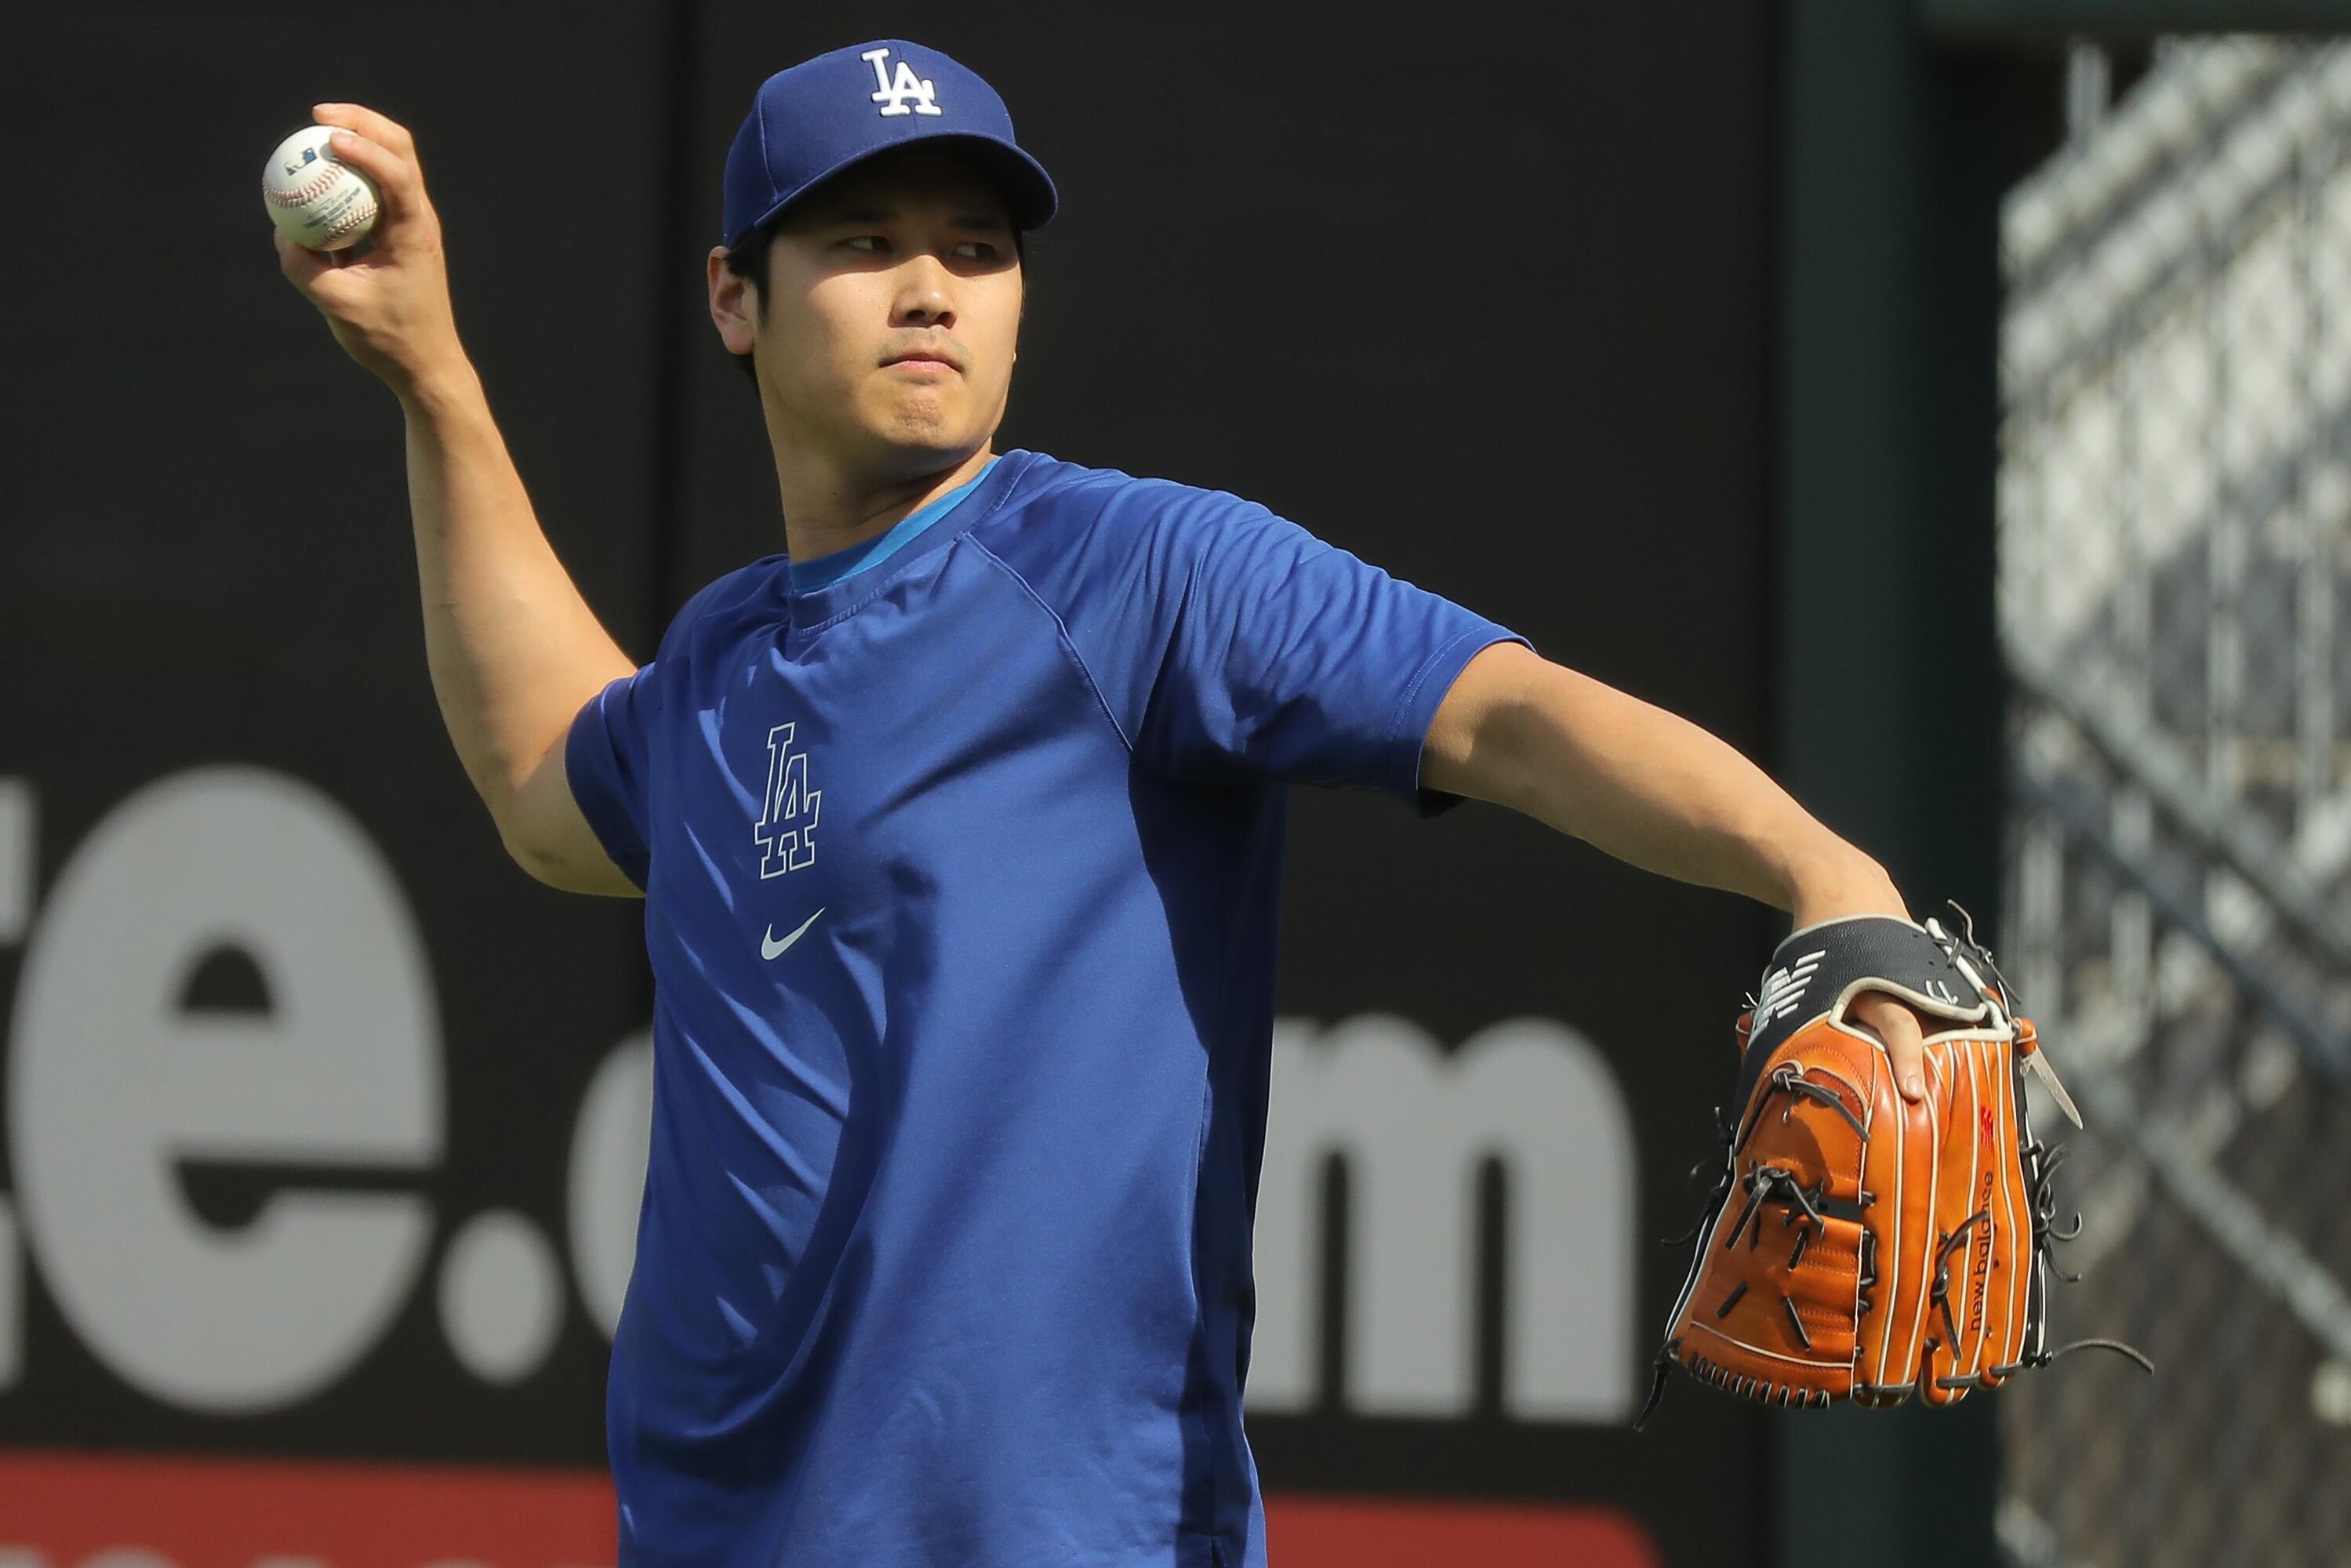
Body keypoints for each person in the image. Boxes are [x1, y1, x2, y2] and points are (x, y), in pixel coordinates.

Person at [276, 38, 1941, 1568]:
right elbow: (542, 782)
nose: (929, 285)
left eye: (976, 248)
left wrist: (1818, 868)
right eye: (861, 243)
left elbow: (1502, 714)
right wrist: (432, 373)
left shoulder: (1134, 575)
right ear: (735, 297)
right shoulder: (721, 667)